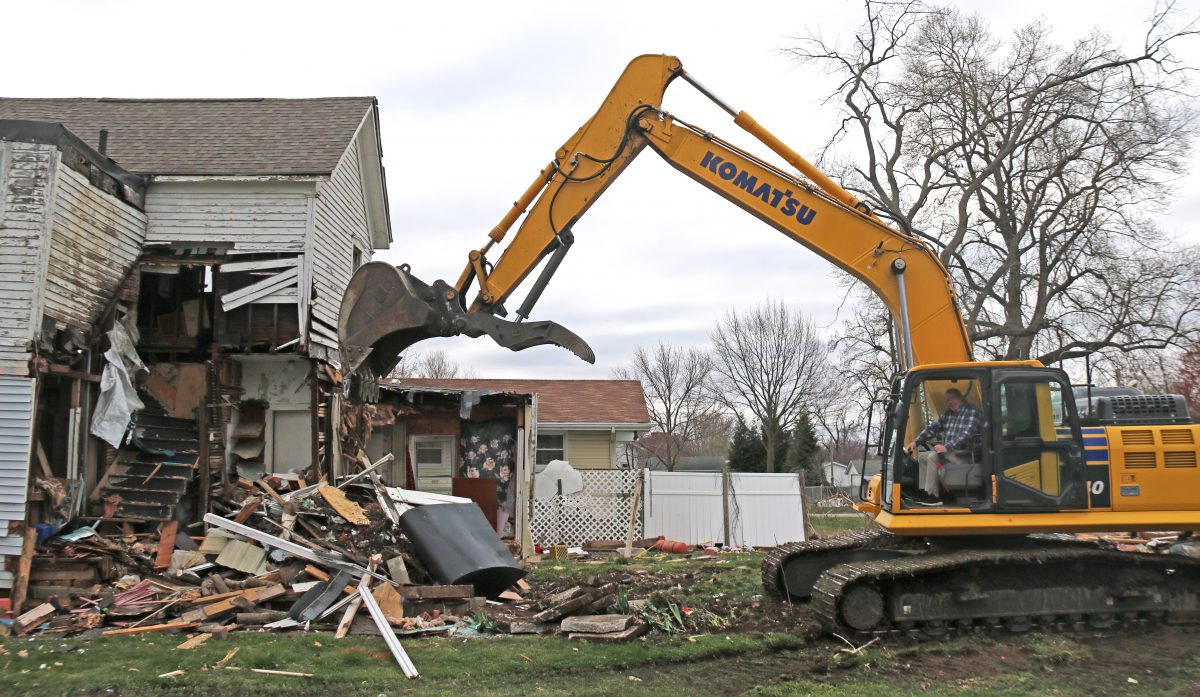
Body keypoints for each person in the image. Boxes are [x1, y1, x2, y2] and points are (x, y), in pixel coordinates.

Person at [905, 387, 982, 500]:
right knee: (922, 457)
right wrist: (916, 442)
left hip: (966, 454)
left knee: (932, 456)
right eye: (948, 400)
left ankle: (934, 496)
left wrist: (946, 447)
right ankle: (924, 492)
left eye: (952, 399)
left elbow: (967, 433)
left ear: (960, 398)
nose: (950, 402)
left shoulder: (971, 411)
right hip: (951, 452)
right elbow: (933, 427)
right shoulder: (948, 414)